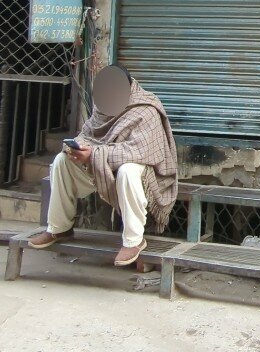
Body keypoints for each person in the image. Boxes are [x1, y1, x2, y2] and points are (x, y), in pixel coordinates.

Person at [29, 65, 178, 267]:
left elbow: (141, 152)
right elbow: (88, 135)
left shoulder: (146, 109)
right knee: (61, 161)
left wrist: (95, 155)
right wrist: (78, 149)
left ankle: (134, 241)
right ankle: (59, 227)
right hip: (102, 167)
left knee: (128, 170)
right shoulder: (104, 106)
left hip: (143, 173)